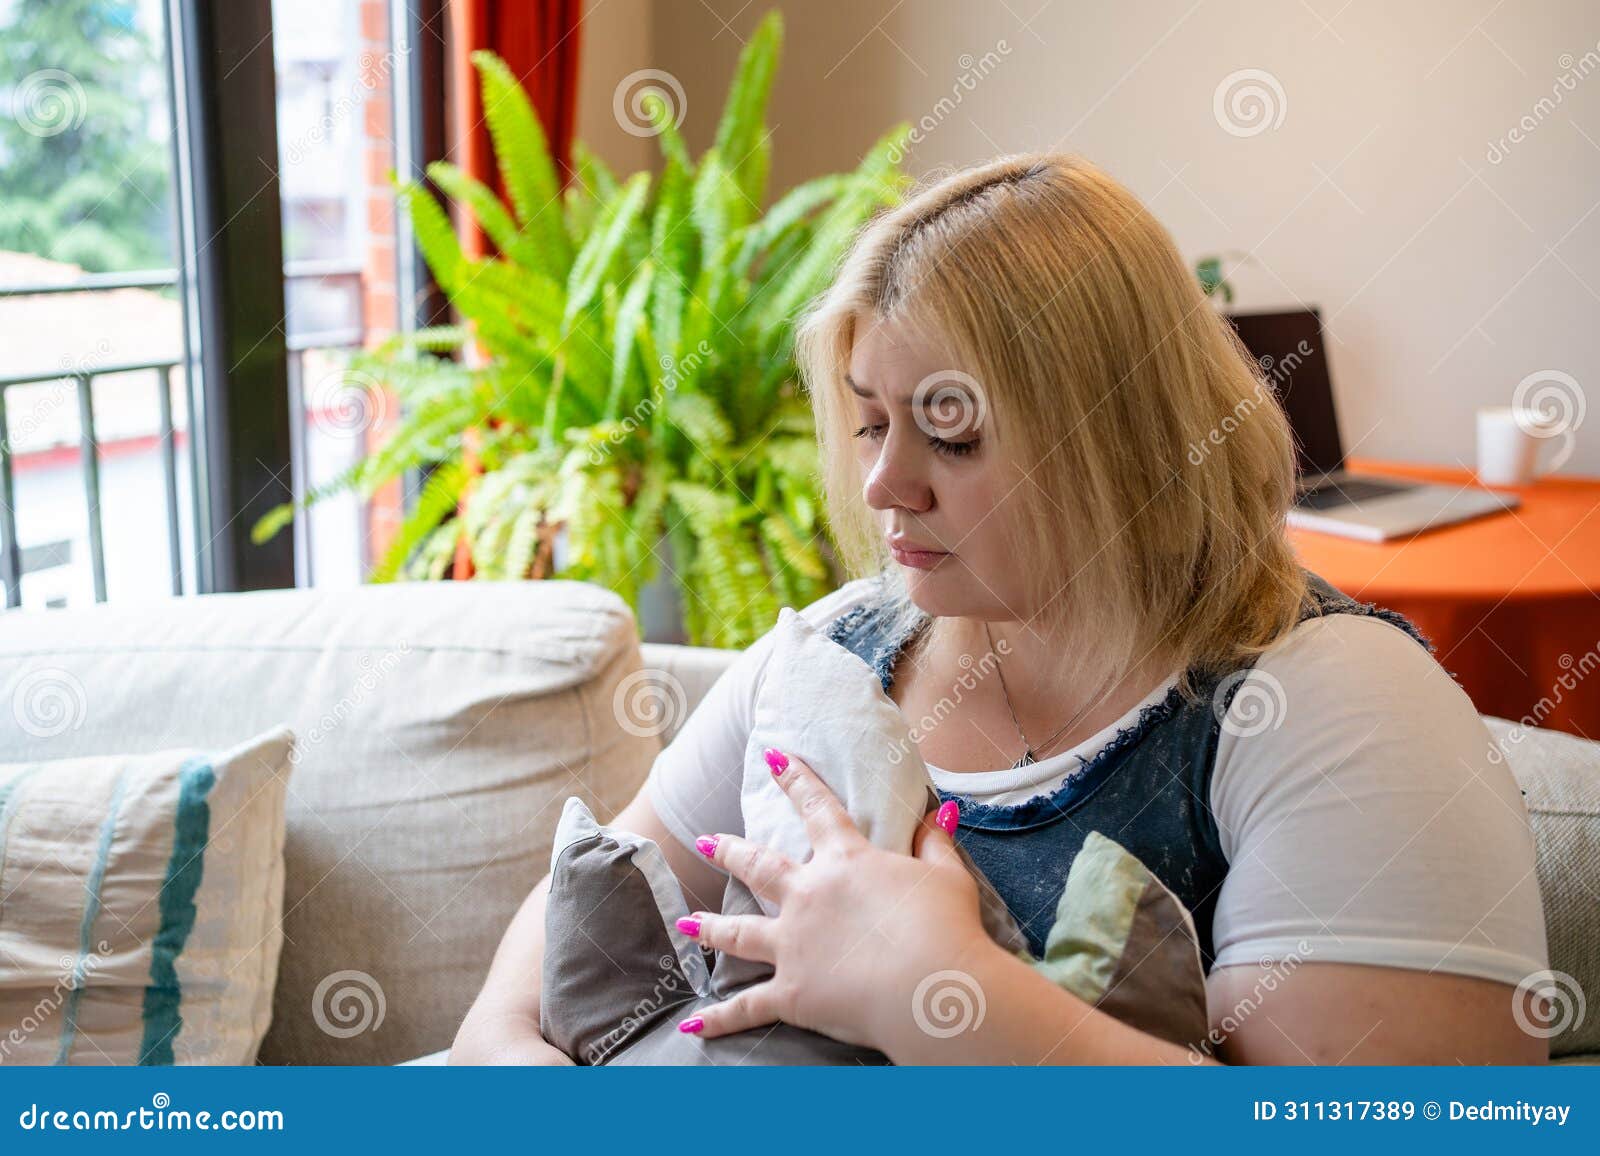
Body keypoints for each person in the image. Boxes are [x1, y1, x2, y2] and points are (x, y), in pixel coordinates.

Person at [451, 153, 1549, 1065]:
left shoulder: (1333, 705)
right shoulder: (831, 658)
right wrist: (507, 1066)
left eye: (953, 433)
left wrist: (941, 994)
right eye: (870, 422)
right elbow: (574, 922)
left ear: (1124, 438)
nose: (884, 484)